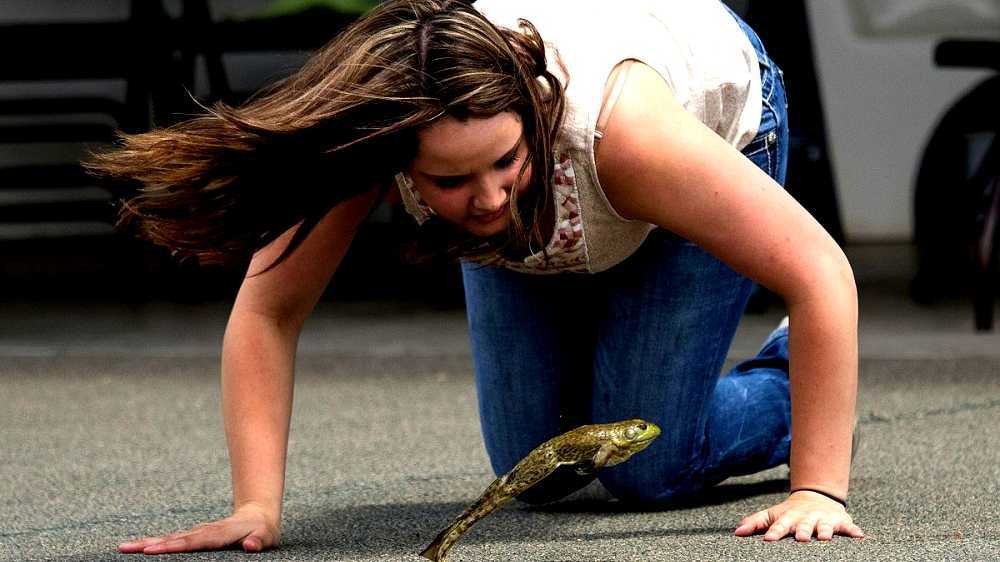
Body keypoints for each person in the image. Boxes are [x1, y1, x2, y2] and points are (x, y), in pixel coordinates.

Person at [88, 0, 863, 555]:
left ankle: (802, 365)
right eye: (452, 182)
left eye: (504, 162)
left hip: (711, 119)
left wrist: (818, 489)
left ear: (530, 117)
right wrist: (255, 506)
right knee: (539, 469)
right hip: (565, 197)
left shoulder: (631, 140)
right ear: (400, 164)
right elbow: (268, 314)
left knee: (650, 470)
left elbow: (822, 270)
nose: (487, 197)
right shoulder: (373, 143)